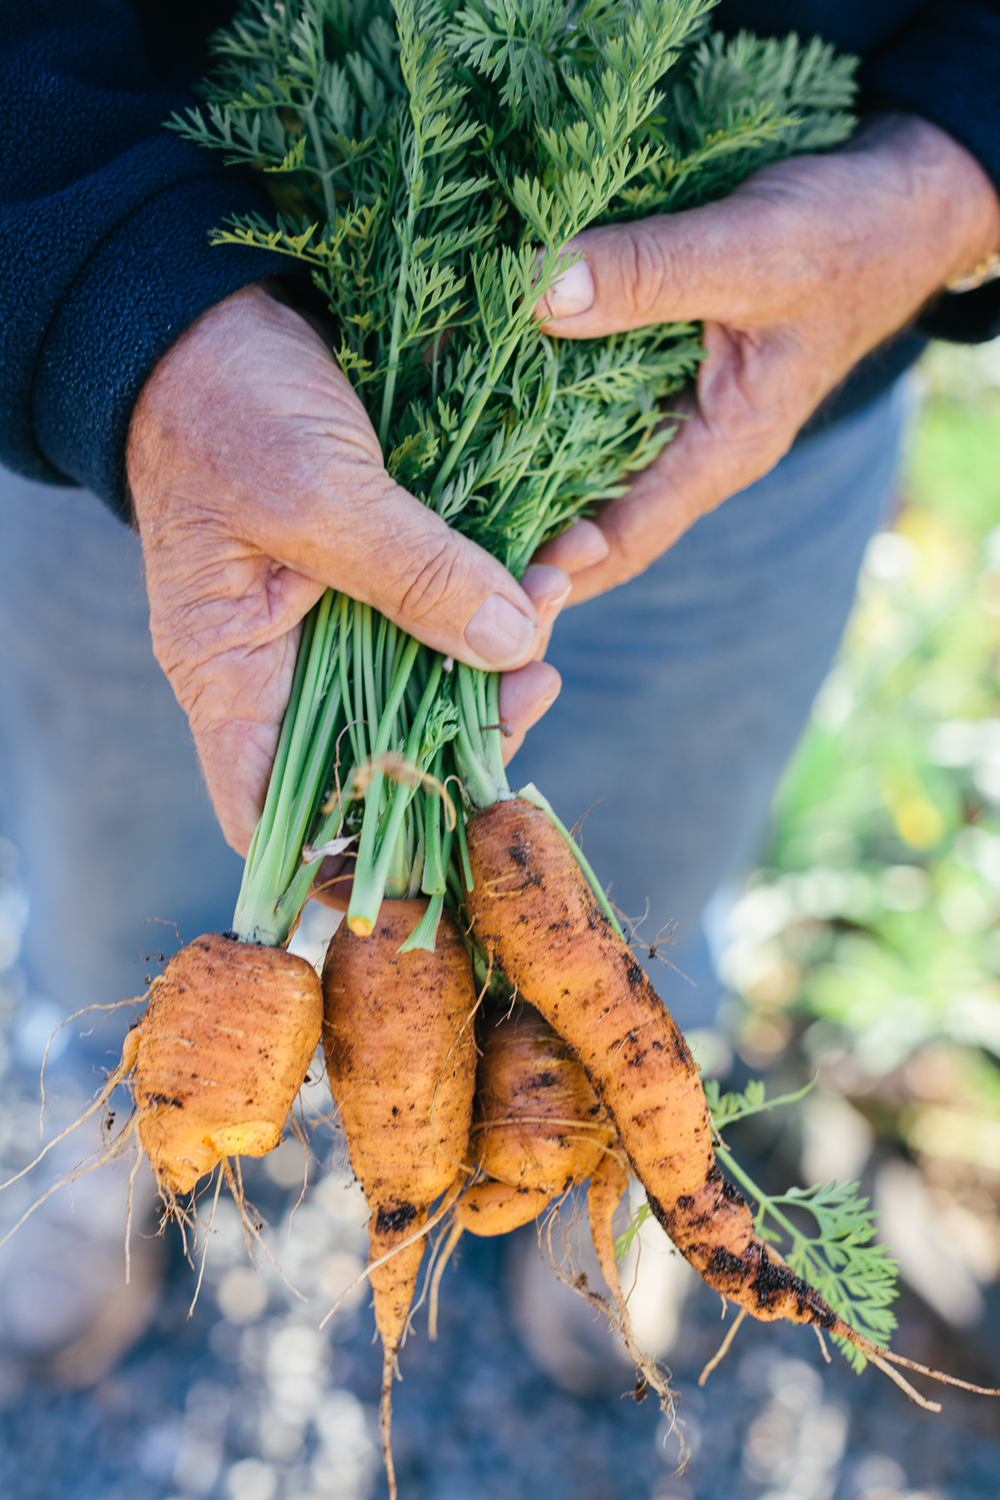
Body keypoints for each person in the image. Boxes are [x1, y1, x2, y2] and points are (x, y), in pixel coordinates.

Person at [0, 0, 998, 1385]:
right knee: (100, 842)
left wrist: (958, 171)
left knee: (667, 841)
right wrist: (100, 301)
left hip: (755, 353)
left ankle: (598, 1135)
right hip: (154, 319)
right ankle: (95, 1135)